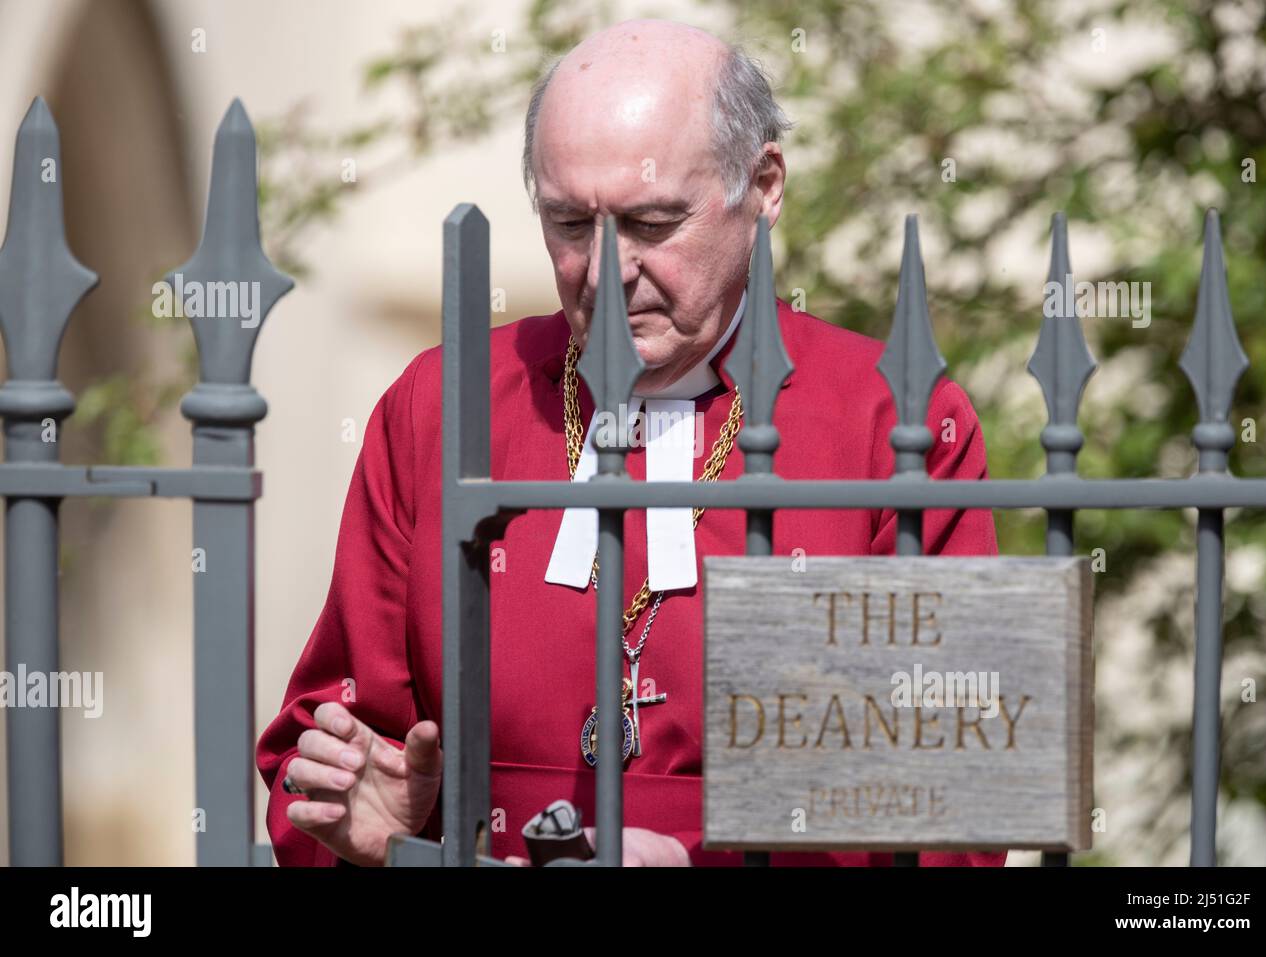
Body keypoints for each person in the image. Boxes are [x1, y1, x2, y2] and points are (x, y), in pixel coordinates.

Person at [256, 18, 1003, 867]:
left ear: (763, 185)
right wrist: (394, 832)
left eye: (652, 223)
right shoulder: (441, 406)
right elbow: (325, 760)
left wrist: (698, 863)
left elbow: (954, 814)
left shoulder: (893, 423)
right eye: (572, 224)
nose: (608, 269)